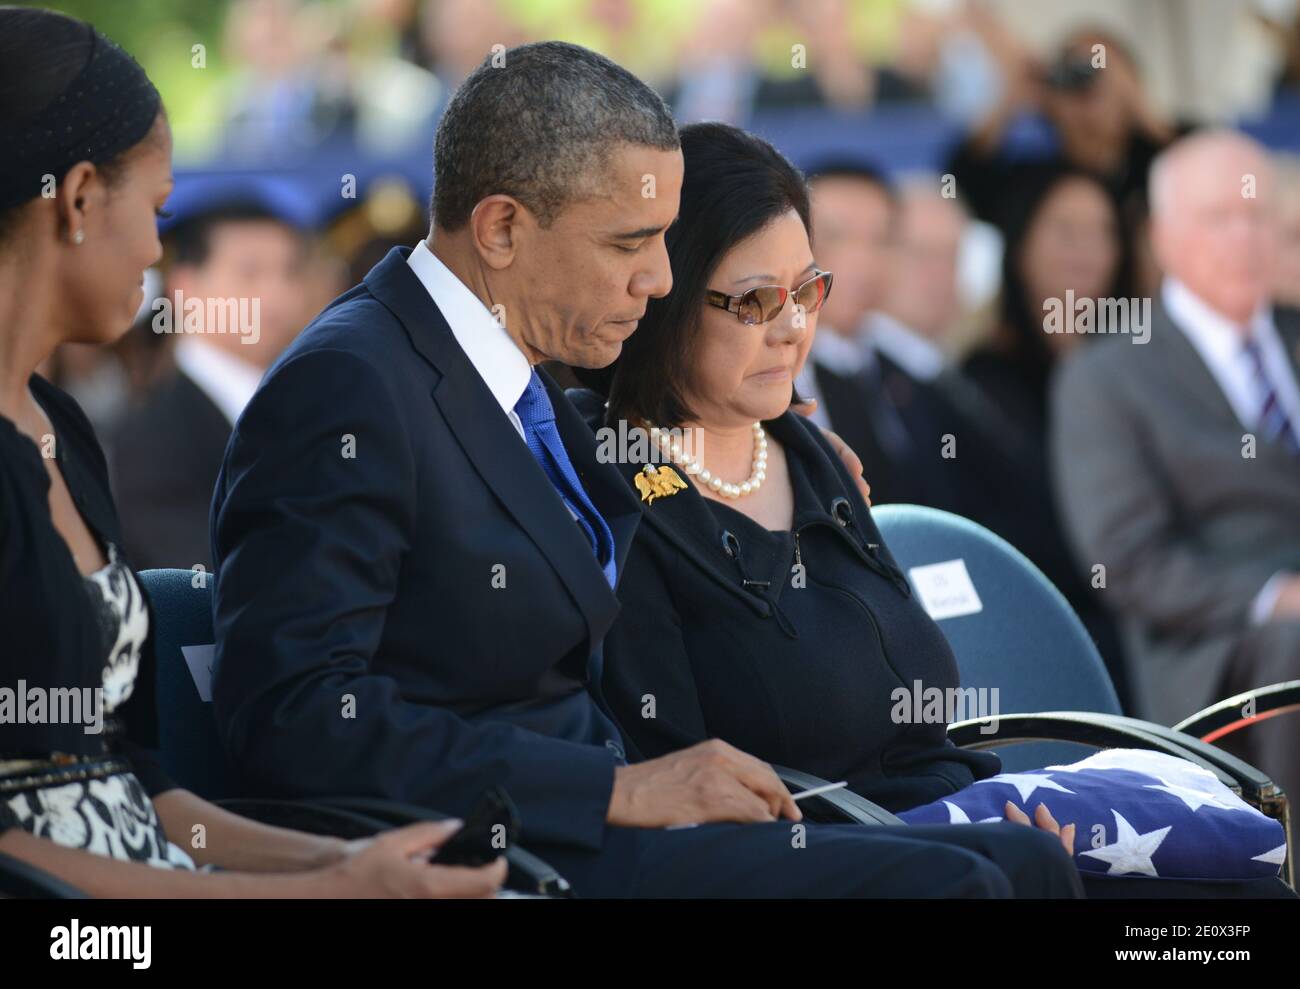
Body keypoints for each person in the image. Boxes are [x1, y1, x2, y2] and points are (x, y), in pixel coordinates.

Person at [210, 40, 1083, 898]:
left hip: (618, 826)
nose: (661, 280)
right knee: (962, 882)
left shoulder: (515, 380)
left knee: (1028, 862)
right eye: (631, 242)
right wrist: (617, 790)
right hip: (524, 854)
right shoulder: (349, 383)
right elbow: (294, 715)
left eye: (666, 240)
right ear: (502, 227)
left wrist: (771, 442)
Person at [0, 6, 503, 899]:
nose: (158, 254)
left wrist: (342, 860)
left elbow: (132, 784)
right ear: (77, 199)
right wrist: (327, 891)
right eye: (155, 214)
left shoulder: (60, 427)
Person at [1052, 129, 1300, 804]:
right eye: (1219, 217)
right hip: (1219, 657)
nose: (1244, 237)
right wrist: (1278, 595)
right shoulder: (1108, 377)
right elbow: (1128, 560)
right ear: (1160, 238)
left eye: (1258, 217)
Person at [961, 165, 1132, 707]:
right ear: (1021, 244)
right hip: (1048, 627)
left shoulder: (1140, 370)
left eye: (1102, 232)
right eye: (1065, 231)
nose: (1087, 251)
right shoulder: (981, 381)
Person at [110, 182, 318, 572]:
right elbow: (198, 572)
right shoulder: (151, 435)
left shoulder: (313, 405)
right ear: (185, 289)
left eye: (290, 272)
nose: (277, 294)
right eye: (250, 272)